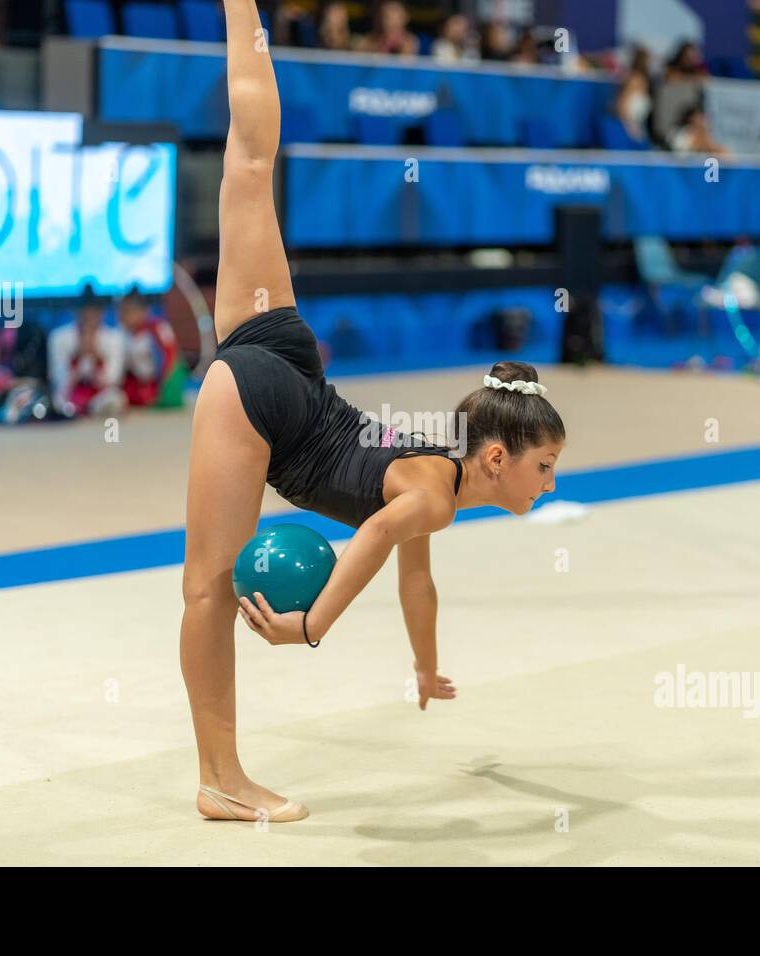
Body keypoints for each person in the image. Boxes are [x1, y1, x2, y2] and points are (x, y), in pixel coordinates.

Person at [182, 1, 566, 824]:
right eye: (545, 467)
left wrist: (425, 668)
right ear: (496, 459)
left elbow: (415, 583)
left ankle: (238, 5)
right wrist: (309, 628)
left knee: (251, 163)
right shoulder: (427, 498)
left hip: (287, 352)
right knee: (208, 591)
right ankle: (219, 780)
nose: (552, 483)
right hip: (270, 403)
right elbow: (379, 537)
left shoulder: (438, 478)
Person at [47, 291, 127, 416]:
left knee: (117, 398)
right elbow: (58, 379)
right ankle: (73, 409)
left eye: (93, 313)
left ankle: (88, 409)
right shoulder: (59, 337)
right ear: (76, 312)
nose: (89, 317)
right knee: (55, 399)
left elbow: (114, 379)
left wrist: (96, 358)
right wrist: (77, 357)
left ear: (101, 313)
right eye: (85, 313)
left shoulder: (113, 338)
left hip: (99, 395)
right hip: (70, 393)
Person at [117, 287, 178, 408]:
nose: (122, 317)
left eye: (127, 312)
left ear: (144, 311)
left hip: (156, 384)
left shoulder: (158, 328)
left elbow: (171, 357)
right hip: (134, 383)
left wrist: (164, 386)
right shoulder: (121, 333)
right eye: (121, 312)